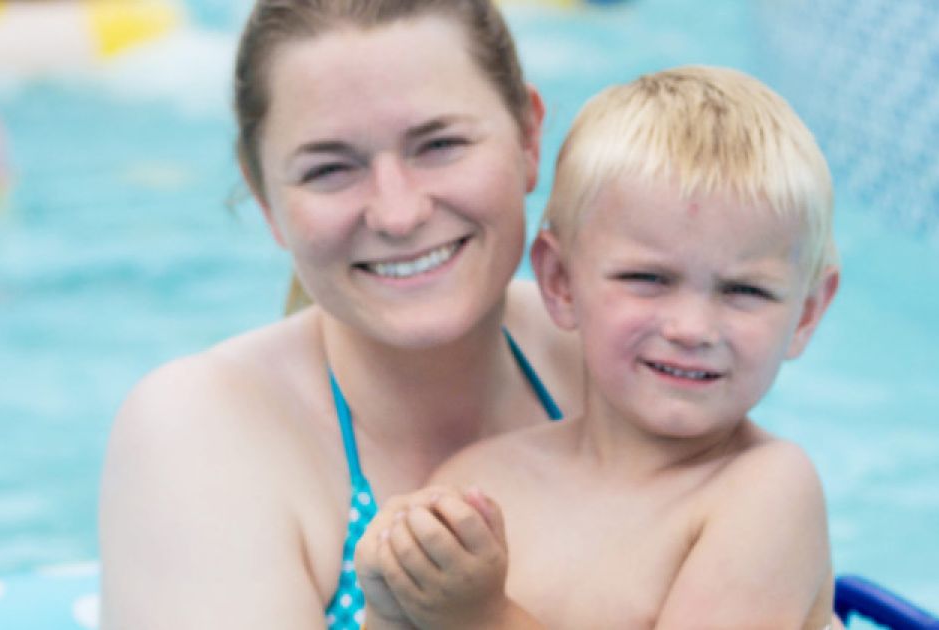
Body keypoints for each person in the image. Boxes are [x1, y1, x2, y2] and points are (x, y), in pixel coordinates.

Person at [97, 1, 584, 628]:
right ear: (265, 198)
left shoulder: (613, 360)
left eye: (440, 145)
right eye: (329, 169)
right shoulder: (201, 430)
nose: (398, 214)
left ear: (529, 138)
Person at [355, 65, 843, 629]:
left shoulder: (766, 491)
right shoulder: (481, 480)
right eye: (648, 279)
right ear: (560, 281)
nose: (692, 328)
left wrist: (483, 618)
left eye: (745, 291)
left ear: (807, 313)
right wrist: (391, 609)